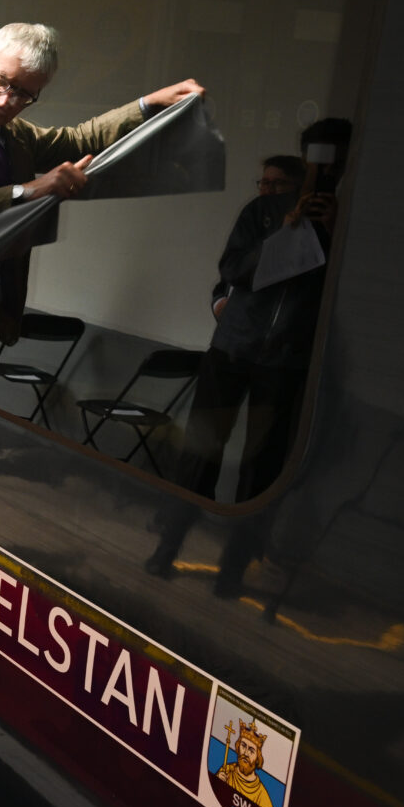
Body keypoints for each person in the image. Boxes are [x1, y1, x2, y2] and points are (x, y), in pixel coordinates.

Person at [0, 22, 203, 400]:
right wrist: (26, 191)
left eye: (25, 95)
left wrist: (149, 103)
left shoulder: (15, 137)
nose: (7, 101)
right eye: (3, 82)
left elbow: (82, 140)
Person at [146, 121, 350, 586]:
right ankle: (167, 546)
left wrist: (334, 234)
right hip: (233, 348)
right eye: (320, 157)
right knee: (201, 450)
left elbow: (344, 294)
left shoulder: (348, 219)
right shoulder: (263, 212)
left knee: (262, 465)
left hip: (287, 358)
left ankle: (232, 569)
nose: (326, 168)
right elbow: (234, 270)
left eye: (334, 160)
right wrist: (283, 230)